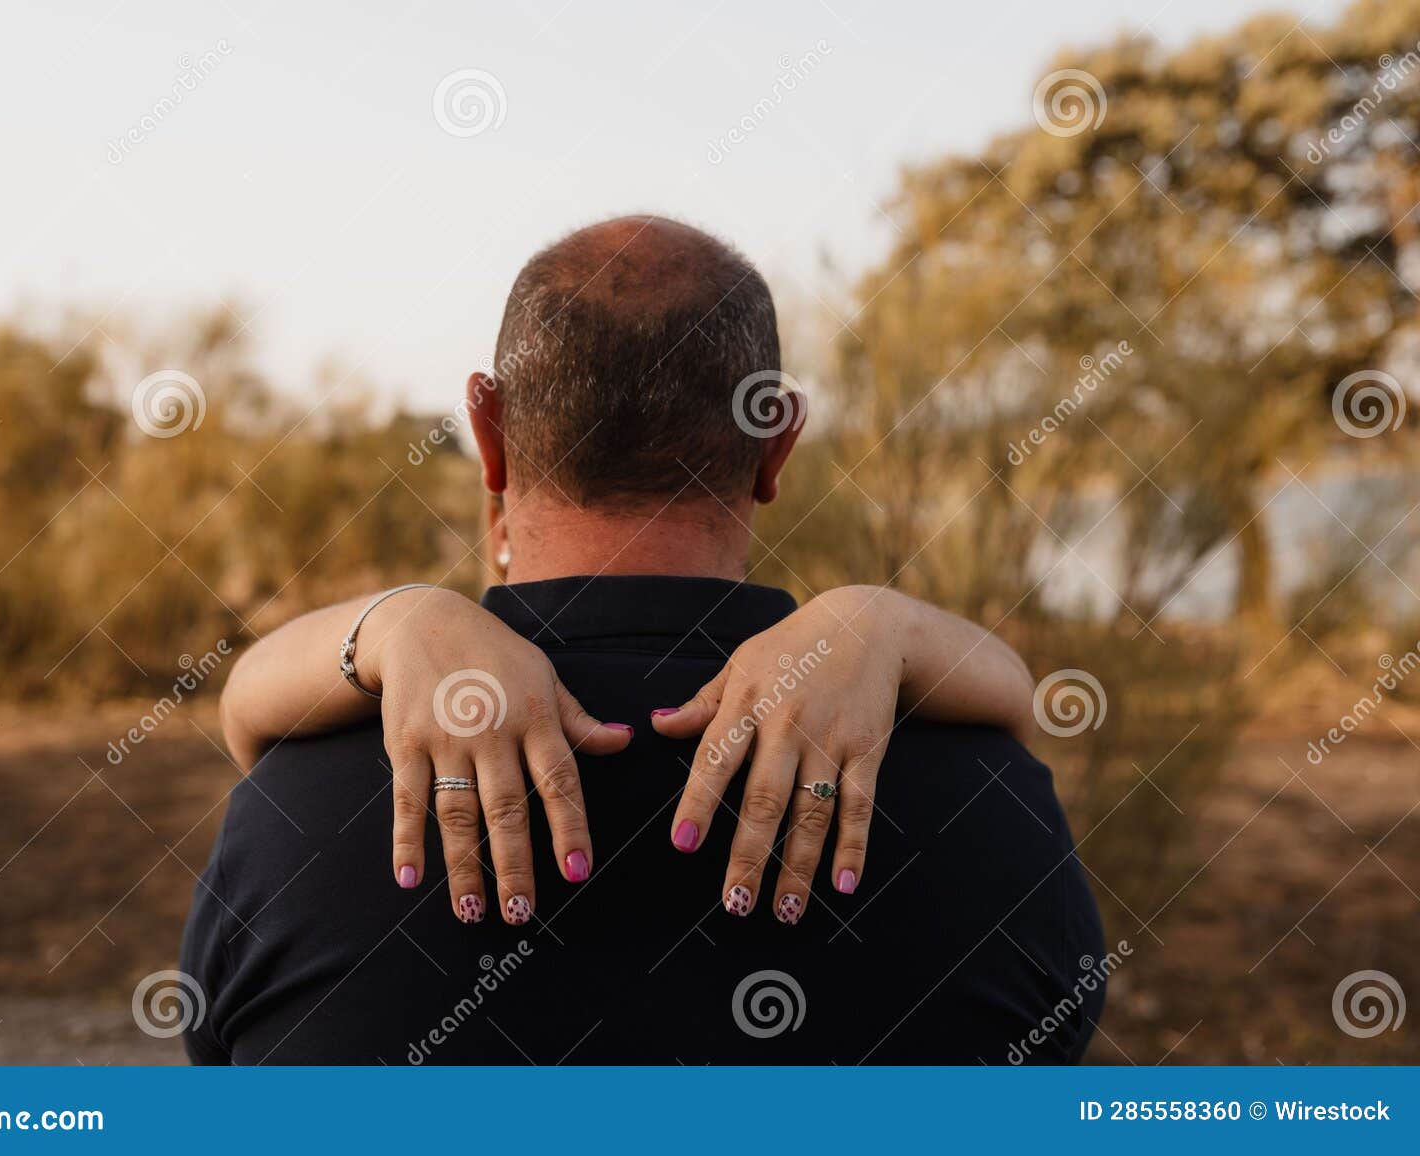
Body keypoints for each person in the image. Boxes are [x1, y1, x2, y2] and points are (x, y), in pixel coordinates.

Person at [180, 215, 1104, 1063]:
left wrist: (391, 617)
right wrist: (881, 616)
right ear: (776, 444)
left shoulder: (286, 813)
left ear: (487, 435)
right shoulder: (998, 811)